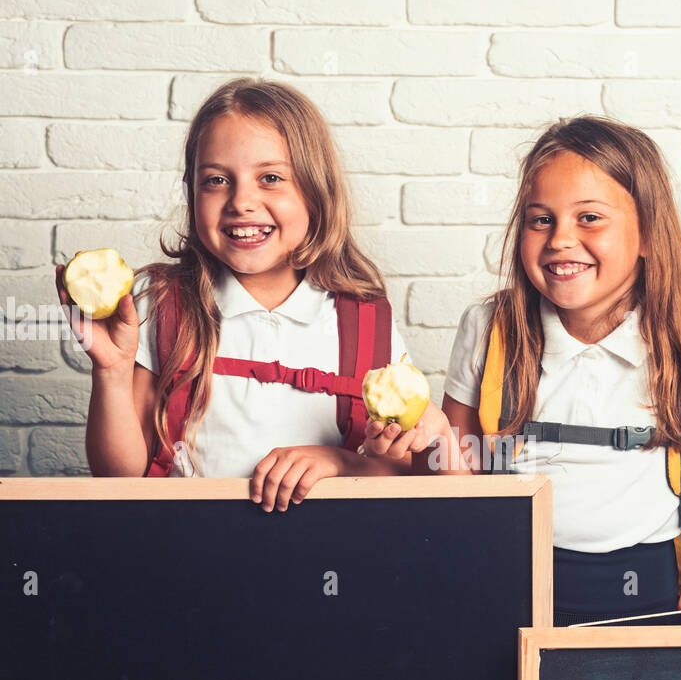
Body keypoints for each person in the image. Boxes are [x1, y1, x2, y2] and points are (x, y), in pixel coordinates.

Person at [365, 115, 681, 629]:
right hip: (510, 582)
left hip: (655, 591)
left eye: (590, 218)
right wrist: (429, 443)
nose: (560, 240)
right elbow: (460, 484)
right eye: (541, 220)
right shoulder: (490, 329)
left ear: (647, 233)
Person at [58, 77, 441, 510]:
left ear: (317, 192)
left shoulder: (366, 320)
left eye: (271, 177)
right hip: (189, 553)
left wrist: (338, 461)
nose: (242, 201)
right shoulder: (159, 303)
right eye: (217, 180)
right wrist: (111, 370)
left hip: (326, 558)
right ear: (191, 190)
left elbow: (405, 473)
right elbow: (118, 477)